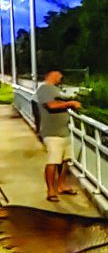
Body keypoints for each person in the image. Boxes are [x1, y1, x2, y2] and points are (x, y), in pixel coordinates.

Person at [35, 68, 82, 202]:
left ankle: (61, 186)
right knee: (53, 161)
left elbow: (58, 103)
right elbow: (51, 105)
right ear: (53, 74)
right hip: (52, 132)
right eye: (60, 76)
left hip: (63, 131)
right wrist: (70, 103)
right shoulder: (44, 89)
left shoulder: (54, 89)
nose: (61, 78)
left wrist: (68, 104)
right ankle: (51, 191)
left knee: (65, 160)